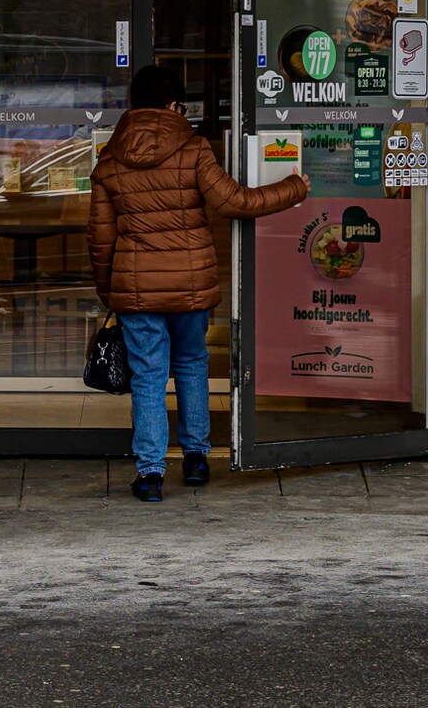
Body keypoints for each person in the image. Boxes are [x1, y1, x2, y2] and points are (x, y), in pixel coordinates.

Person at [90, 63, 308, 503]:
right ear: (175, 106)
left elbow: (100, 236)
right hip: (190, 284)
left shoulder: (109, 160)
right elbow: (235, 201)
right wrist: (294, 188)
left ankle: (151, 474)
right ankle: (195, 458)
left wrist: (109, 290)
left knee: (148, 376)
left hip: (136, 287)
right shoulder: (194, 149)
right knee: (191, 363)